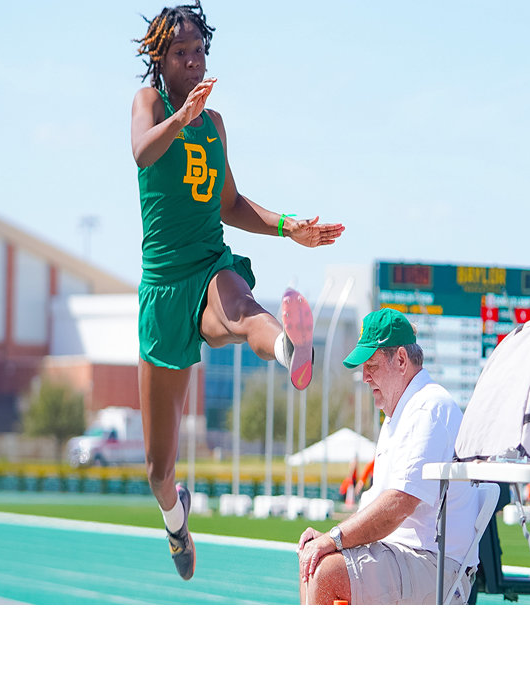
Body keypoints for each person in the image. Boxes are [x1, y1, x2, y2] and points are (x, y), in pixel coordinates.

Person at [130, 2, 344, 580]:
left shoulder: (216, 124)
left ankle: (290, 352)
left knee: (243, 309)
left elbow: (229, 204)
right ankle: (177, 523)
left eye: (200, 51)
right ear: (161, 58)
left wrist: (286, 226)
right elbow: (142, 151)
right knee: (158, 468)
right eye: (182, 53)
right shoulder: (152, 106)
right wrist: (181, 116)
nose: (194, 61)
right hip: (162, 289)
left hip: (208, 264)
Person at [297, 309, 481, 605]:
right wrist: (329, 538)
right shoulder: (402, 413)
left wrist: (333, 538)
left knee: (325, 572)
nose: (365, 376)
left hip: (437, 567)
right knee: (313, 560)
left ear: (400, 360)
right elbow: (384, 507)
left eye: (371, 365)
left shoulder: (427, 410)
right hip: (409, 554)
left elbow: (398, 505)